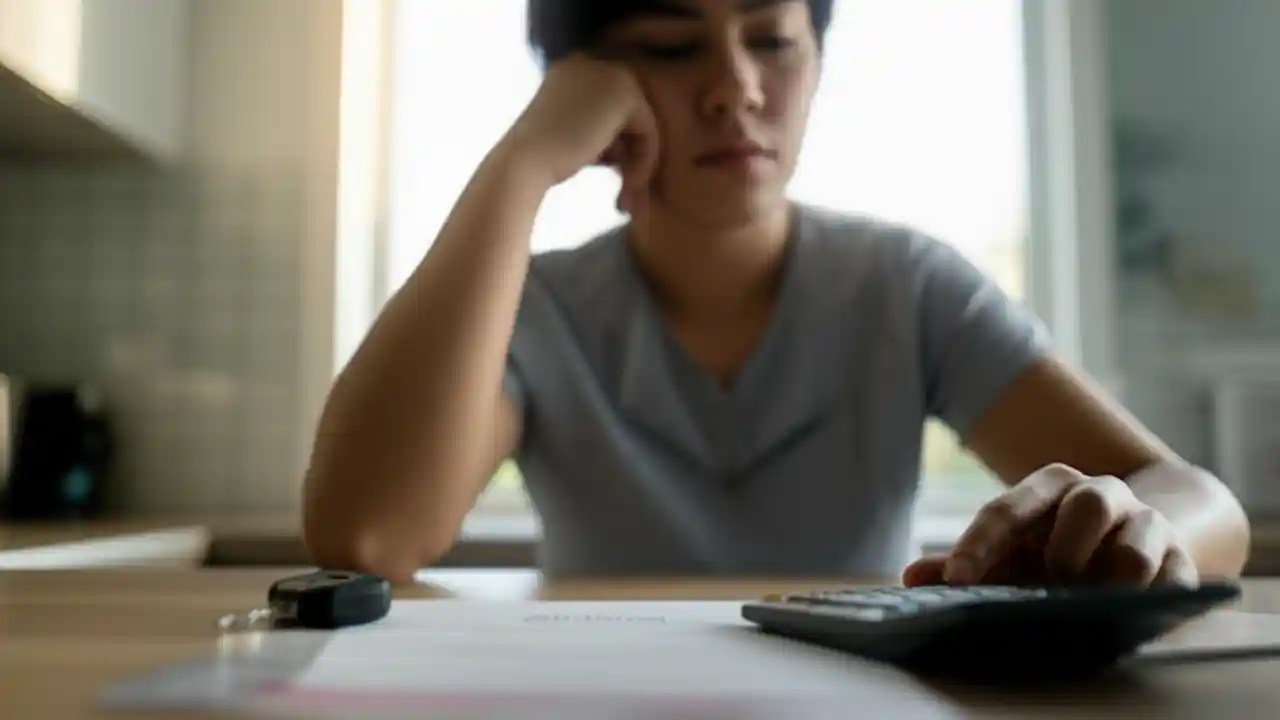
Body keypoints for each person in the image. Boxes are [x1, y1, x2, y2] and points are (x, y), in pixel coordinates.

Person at [302, 0, 1250, 586]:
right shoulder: (540, 311)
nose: (736, 87)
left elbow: (1205, 505)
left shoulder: (908, 288)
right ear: (581, 85)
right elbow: (372, 534)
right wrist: (521, 164)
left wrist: (1144, 529)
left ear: (817, 64)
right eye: (672, 45)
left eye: (773, 39)